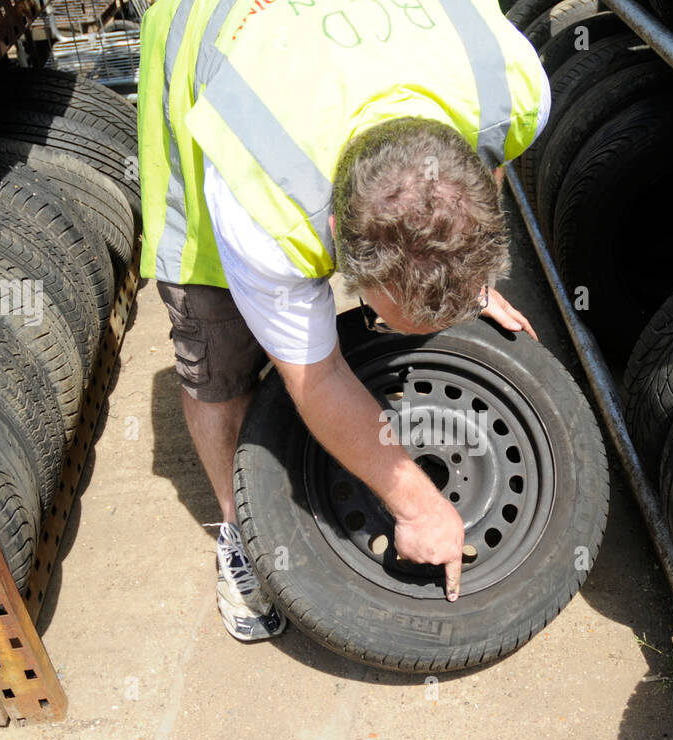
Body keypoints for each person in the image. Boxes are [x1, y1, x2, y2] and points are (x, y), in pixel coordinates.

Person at [137, 0, 550, 640]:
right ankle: (239, 529)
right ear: (336, 235)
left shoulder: (511, 85)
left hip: (349, 50)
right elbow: (317, 375)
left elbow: (483, 155)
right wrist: (416, 506)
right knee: (215, 344)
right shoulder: (263, 199)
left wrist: (469, 277)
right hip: (209, 38)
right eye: (390, 313)